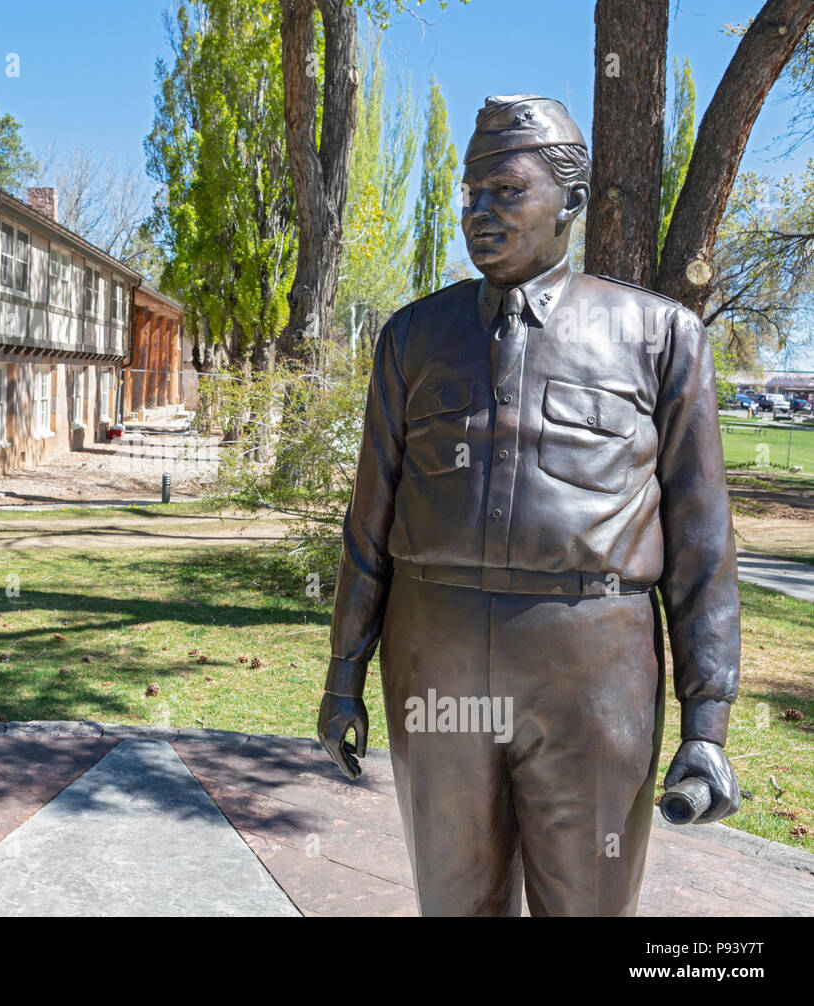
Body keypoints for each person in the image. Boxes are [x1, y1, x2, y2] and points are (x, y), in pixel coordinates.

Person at [317, 95, 741, 916]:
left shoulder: (659, 336)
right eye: (471, 193)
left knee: (587, 900)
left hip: (593, 672)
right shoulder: (412, 337)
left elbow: (702, 542)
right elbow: (368, 524)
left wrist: (706, 721)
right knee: (454, 899)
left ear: (570, 203)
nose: (480, 212)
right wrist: (344, 679)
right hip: (433, 655)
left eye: (506, 191)